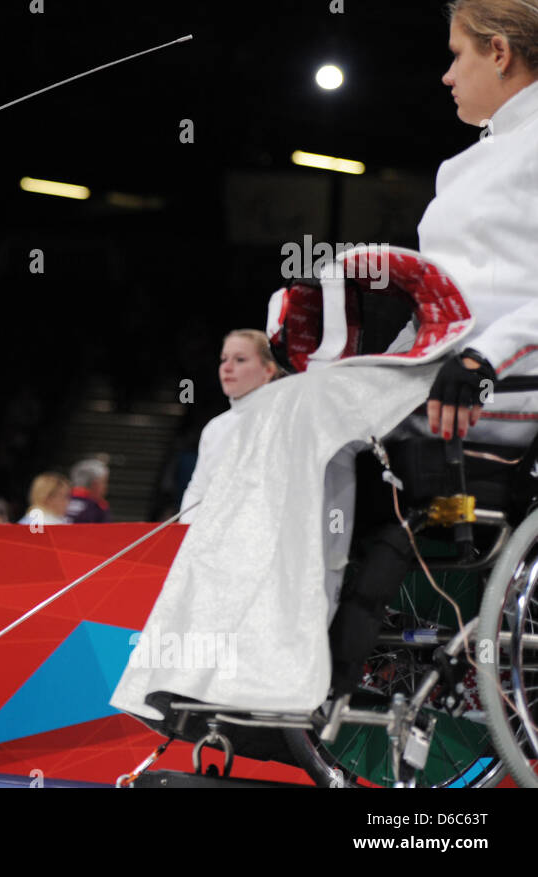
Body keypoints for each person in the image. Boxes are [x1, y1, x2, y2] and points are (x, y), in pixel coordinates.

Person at [111, 0, 538, 725]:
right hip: (431, 370)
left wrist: (482, 359)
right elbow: (445, 295)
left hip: (498, 386)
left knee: (300, 414)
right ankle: (208, 663)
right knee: (259, 413)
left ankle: (282, 671)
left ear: (499, 52)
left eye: (456, 54)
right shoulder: (465, 163)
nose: (444, 75)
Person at [178, 330, 280, 523]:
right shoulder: (215, 428)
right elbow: (198, 491)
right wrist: (186, 535)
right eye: (224, 359)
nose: (227, 367)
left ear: (268, 370)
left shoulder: (283, 419)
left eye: (240, 359)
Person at [65, 457, 112, 523]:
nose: (106, 486)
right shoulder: (97, 508)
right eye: (104, 482)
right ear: (95, 484)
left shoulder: (60, 501)